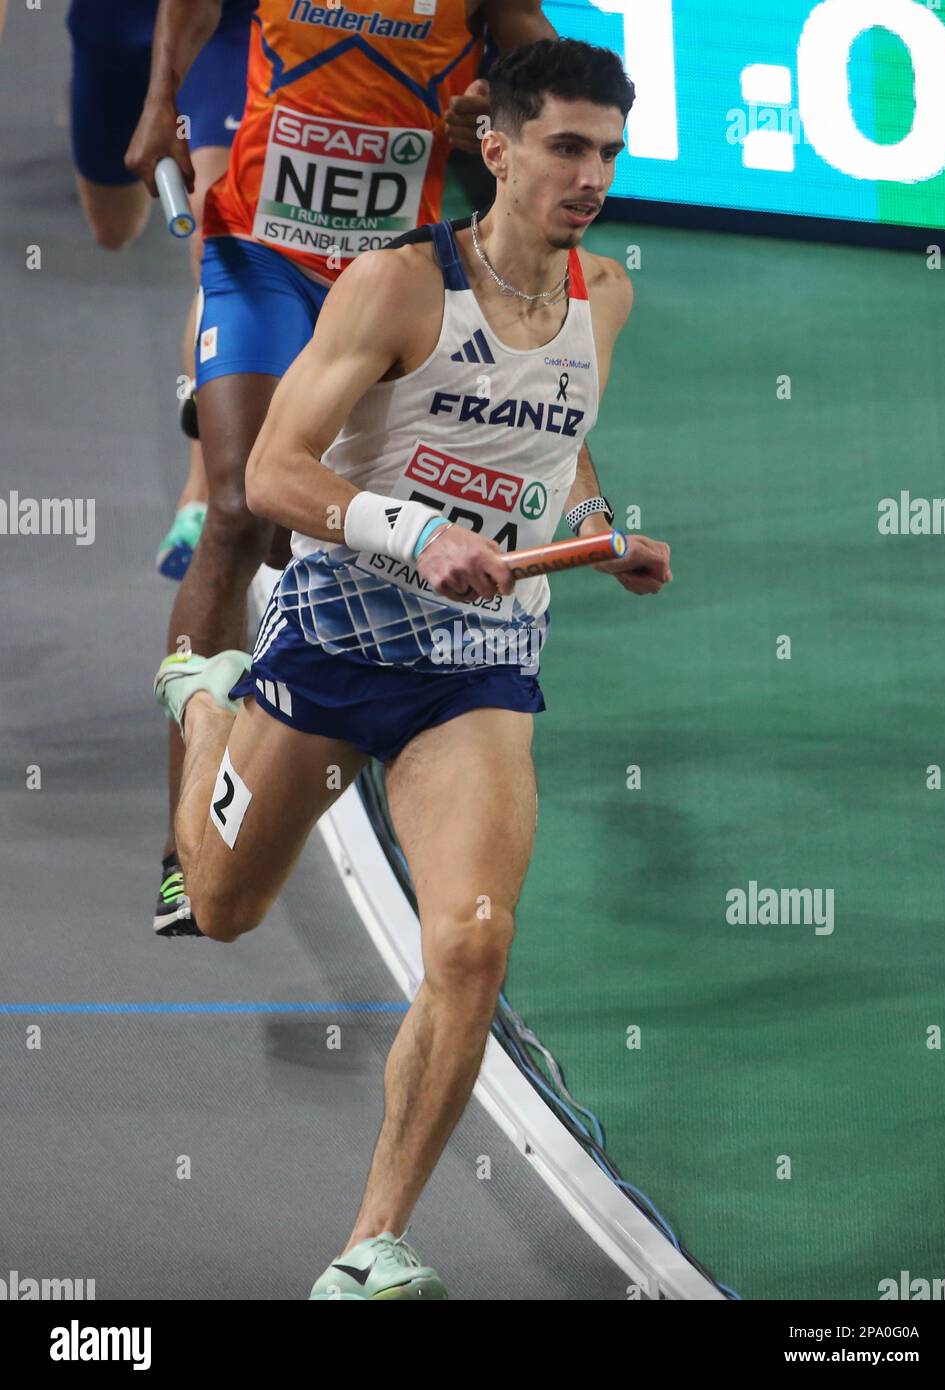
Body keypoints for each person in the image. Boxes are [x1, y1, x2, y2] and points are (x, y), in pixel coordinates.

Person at [153, 37, 672, 1299]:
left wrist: (595, 537)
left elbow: (561, 452)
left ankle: (370, 1244)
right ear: (493, 144)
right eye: (565, 146)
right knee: (224, 906)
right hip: (333, 645)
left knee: (475, 943)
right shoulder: (394, 287)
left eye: (608, 151)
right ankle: (210, 694)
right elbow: (271, 474)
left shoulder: (605, 292)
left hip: (478, 673)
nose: (591, 173)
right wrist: (418, 533)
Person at [125, 0, 559, 938]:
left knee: (298, 521)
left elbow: (548, 71)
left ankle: (306, 697)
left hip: (391, 277)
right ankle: (179, 849)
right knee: (240, 510)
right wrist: (160, 102)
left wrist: (493, 113)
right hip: (260, 249)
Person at [67, 0, 256, 583]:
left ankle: (205, 495)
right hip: (115, 25)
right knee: (114, 227)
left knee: (222, 240)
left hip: (224, 23)